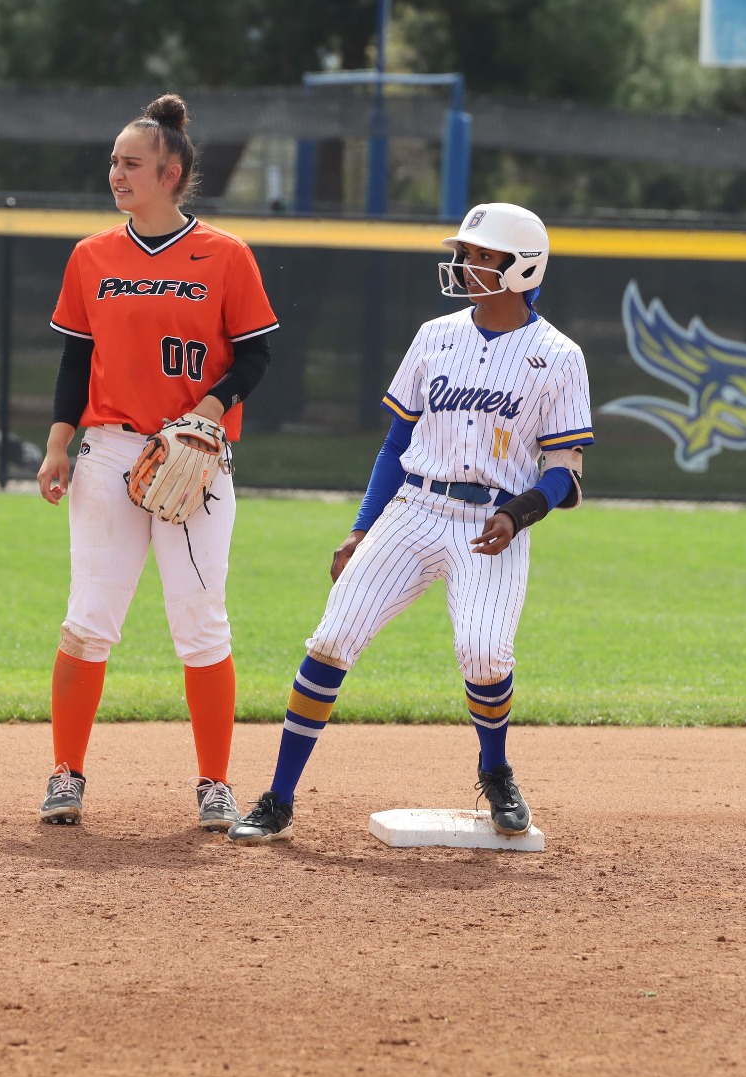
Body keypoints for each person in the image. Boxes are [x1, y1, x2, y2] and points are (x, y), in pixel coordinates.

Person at [226, 202, 592, 845]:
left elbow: (565, 470)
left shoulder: (559, 355)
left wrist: (517, 513)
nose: (467, 265)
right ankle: (278, 798)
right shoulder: (435, 335)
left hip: (491, 522)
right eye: (467, 253)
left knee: (483, 653)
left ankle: (495, 769)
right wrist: (362, 527)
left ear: (522, 268)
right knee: (331, 640)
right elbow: (396, 445)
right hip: (413, 510)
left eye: (483, 256)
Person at [35, 93, 278, 830]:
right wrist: (57, 444)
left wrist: (208, 412)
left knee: (201, 623)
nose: (116, 173)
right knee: (88, 619)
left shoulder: (226, 256)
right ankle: (67, 773)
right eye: (113, 162)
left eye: (131, 163)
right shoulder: (92, 257)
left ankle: (214, 784)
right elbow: (76, 361)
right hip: (109, 450)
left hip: (194, 454)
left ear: (171, 172)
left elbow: (256, 354)